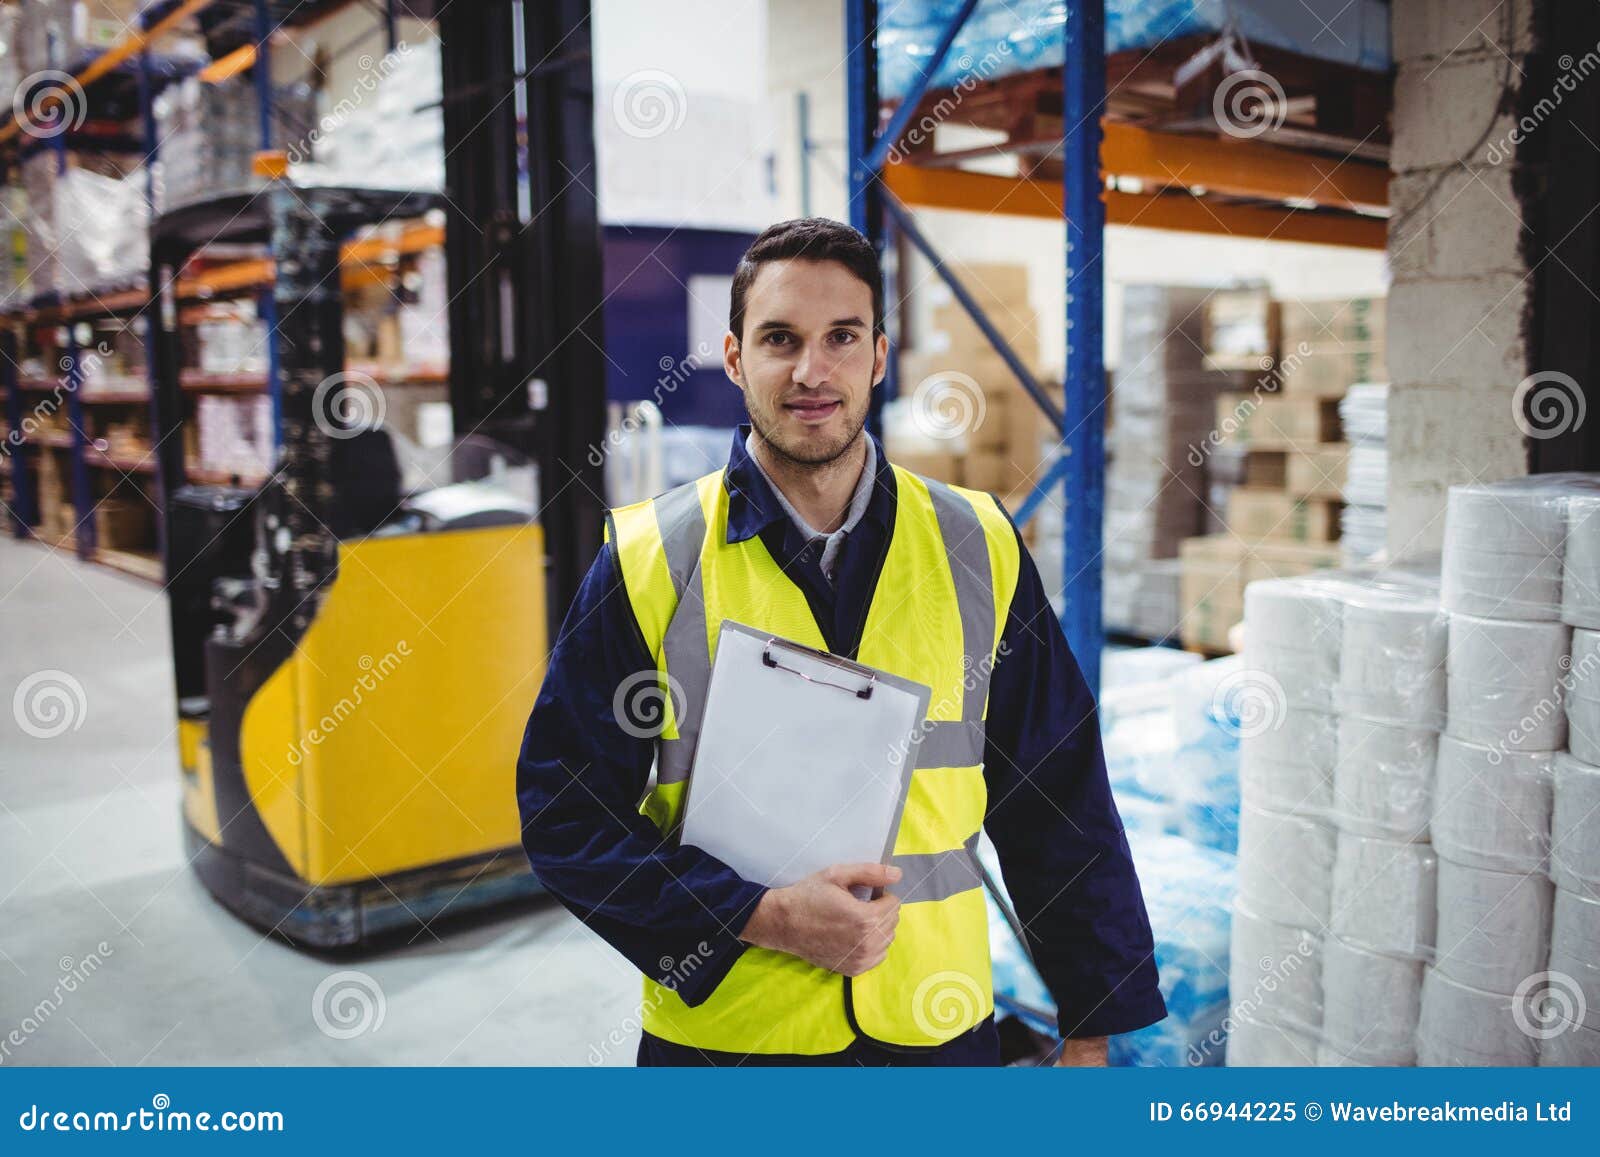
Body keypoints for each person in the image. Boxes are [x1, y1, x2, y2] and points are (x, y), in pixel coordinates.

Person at [515, 217, 1164, 1066]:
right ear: (737, 357)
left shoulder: (978, 545)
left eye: (842, 338)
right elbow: (567, 815)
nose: (812, 371)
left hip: (933, 1030)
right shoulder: (652, 558)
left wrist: (1090, 1022)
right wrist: (759, 913)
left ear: (880, 356)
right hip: (730, 1044)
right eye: (780, 339)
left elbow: (1059, 799)